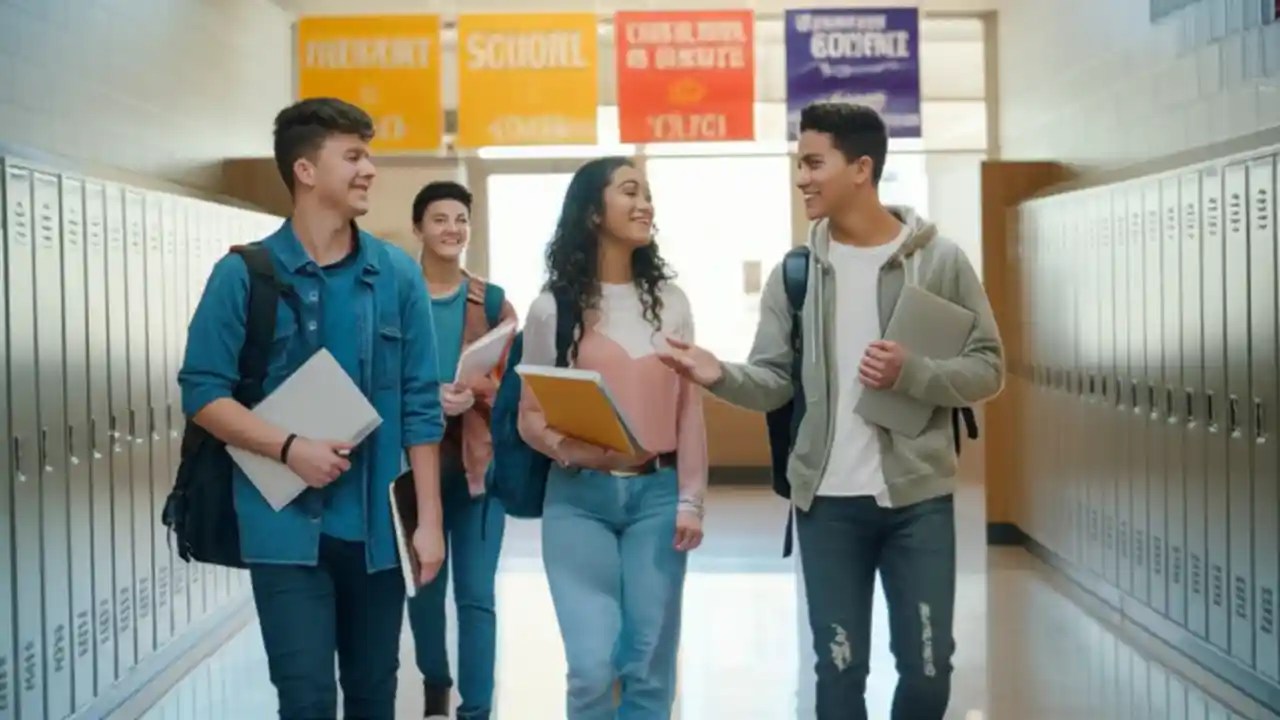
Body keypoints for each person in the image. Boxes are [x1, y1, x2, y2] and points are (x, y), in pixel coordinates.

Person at [658, 103, 1004, 720]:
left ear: (861, 169)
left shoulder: (939, 260)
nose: (803, 178)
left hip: (917, 503)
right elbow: (770, 384)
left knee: (928, 673)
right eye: (800, 164)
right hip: (827, 506)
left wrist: (914, 372)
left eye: (815, 163)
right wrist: (718, 375)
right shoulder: (794, 275)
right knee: (839, 673)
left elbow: (988, 367)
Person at [178, 97, 447, 720]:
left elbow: (420, 409)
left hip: (379, 533)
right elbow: (203, 393)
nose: (370, 170)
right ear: (305, 171)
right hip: (284, 532)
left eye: (369, 155)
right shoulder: (243, 275)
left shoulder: (397, 277)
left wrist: (426, 522)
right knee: (305, 699)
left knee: (374, 693)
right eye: (352, 155)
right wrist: (289, 448)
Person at [516, 156, 707, 719]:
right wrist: (565, 448)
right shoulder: (551, 309)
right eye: (629, 191)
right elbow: (530, 413)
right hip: (578, 502)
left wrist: (691, 499)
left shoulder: (672, 303)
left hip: (657, 495)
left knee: (648, 665)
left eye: (647, 192)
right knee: (593, 665)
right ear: (593, 211)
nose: (645, 203)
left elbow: (688, 411)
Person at [404, 181, 517, 720]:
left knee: (476, 596)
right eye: (439, 219)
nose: (452, 229)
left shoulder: (492, 302)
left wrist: (479, 392)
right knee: (424, 591)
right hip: (411, 467)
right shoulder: (396, 296)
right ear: (418, 228)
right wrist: (430, 395)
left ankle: (477, 710)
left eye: (461, 219)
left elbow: (518, 388)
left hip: (478, 469)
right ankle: (436, 686)